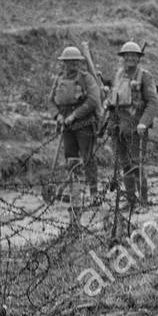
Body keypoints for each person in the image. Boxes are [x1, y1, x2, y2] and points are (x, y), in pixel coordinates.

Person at [107, 42, 158, 229]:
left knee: (137, 163)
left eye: (133, 56)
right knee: (125, 163)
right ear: (123, 57)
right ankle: (131, 199)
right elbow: (115, 99)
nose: (130, 58)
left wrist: (144, 122)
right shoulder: (119, 74)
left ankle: (144, 201)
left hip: (136, 126)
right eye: (127, 55)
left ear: (138, 58)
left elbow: (153, 103)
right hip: (119, 125)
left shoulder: (145, 76)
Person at [50, 45, 102, 208]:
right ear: (63, 63)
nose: (71, 65)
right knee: (71, 159)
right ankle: (75, 194)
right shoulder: (59, 79)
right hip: (66, 125)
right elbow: (51, 101)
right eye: (67, 62)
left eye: (74, 62)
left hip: (84, 124)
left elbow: (93, 100)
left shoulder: (86, 78)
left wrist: (75, 115)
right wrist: (57, 115)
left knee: (88, 159)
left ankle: (94, 194)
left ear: (79, 63)